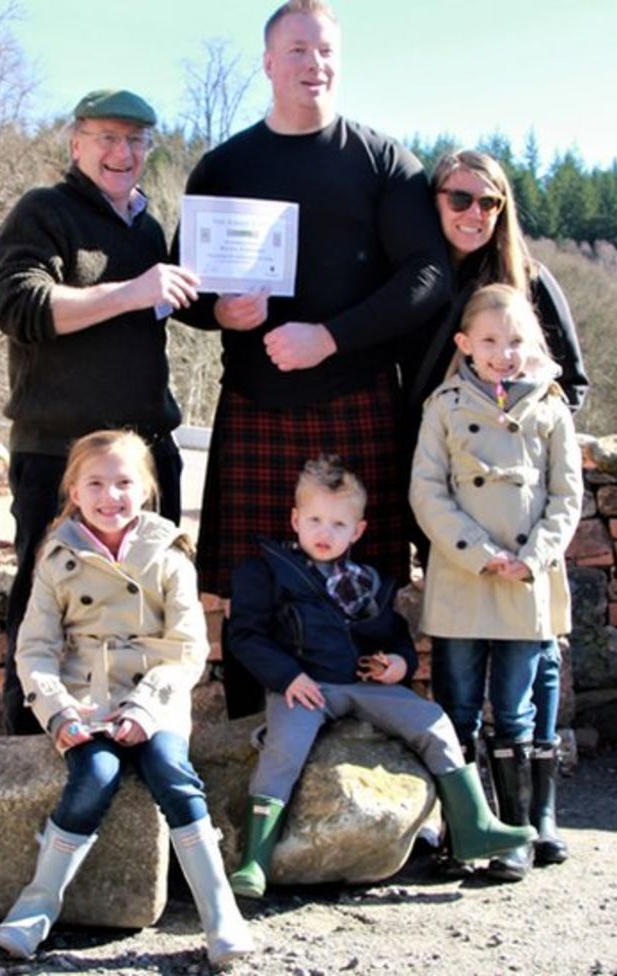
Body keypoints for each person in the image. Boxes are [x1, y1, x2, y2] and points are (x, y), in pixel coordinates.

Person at [175, 0, 450, 717]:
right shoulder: (226, 165)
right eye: (297, 51)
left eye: (325, 51)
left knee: (367, 583)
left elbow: (427, 274)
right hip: (256, 403)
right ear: (268, 62)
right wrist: (219, 311)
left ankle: (361, 765)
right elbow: (187, 287)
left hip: (358, 397)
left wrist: (330, 335)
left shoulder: (384, 161)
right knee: (248, 588)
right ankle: (249, 748)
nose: (313, 64)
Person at [0, 431, 253, 967]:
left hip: (156, 696)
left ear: (148, 488)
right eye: (96, 484)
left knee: (172, 774)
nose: (112, 496)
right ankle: (36, 906)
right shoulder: (57, 554)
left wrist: (146, 707)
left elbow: (186, 646)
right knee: (95, 778)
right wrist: (59, 710)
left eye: (125, 482)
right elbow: (35, 649)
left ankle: (220, 912)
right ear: (75, 490)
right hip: (87, 698)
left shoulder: (169, 552)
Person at [0, 88, 200, 735]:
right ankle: (30, 759)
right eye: (106, 137)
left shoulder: (147, 227)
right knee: (44, 612)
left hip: (145, 459)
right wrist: (131, 291)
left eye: (135, 141)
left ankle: (141, 750)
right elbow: (18, 307)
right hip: (58, 454)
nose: (121, 152)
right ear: (75, 143)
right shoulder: (43, 212)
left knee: (148, 611)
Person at [226, 455, 535, 898]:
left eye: (337, 524)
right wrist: (288, 677)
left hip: (363, 685)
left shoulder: (367, 582)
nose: (324, 533)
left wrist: (399, 664)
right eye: (314, 520)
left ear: (358, 531)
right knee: (284, 748)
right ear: (295, 520)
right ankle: (255, 858)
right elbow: (246, 636)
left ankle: (474, 825)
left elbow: (395, 635)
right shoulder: (268, 573)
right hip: (304, 686)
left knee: (433, 722)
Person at [400, 150, 589, 867]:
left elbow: (572, 387)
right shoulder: (418, 275)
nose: (474, 213)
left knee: (525, 683)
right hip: (452, 520)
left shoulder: (532, 282)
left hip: (525, 538)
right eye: (459, 199)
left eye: (489, 202)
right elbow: (428, 471)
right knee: (457, 693)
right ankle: (462, 824)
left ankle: (527, 824)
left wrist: (533, 550)